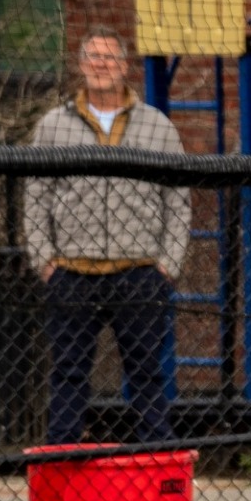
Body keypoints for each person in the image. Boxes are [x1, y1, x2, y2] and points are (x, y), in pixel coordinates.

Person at [24, 27, 190, 445]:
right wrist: (45, 262)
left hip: (139, 273)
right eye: (93, 58)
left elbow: (179, 200)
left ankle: (156, 463)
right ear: (81, 66)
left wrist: (167, 264)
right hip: (72, 274)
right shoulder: (51, 128)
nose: (101, 65)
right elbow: (35, 197)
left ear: (125, 68)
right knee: (68, 373)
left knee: (147, 373)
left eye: (110, 58)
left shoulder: (158, 128)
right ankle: (60, 461)